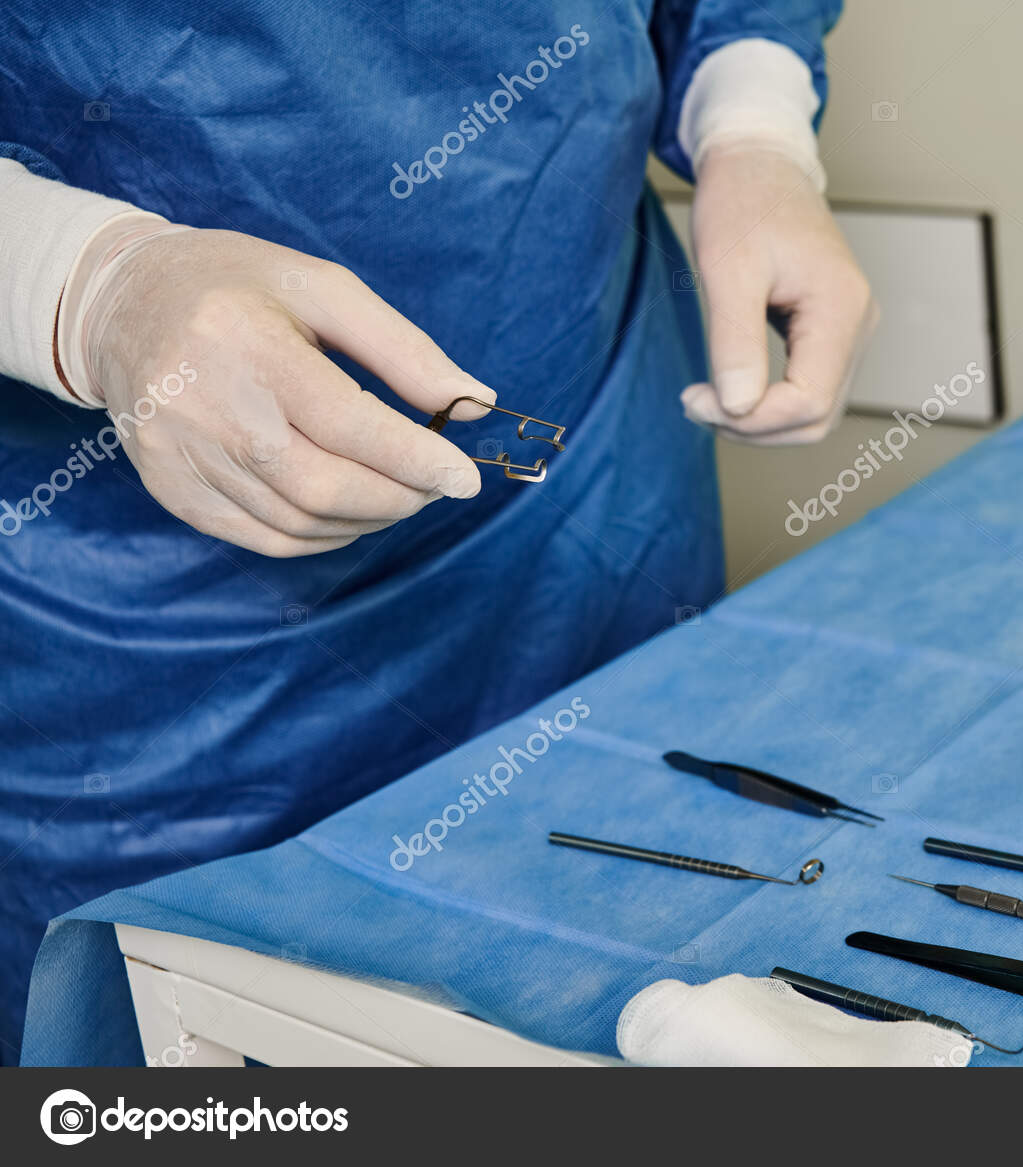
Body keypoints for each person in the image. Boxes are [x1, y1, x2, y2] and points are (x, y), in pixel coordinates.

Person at [0, 1, 873, 1063]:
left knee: (642, 968)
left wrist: (753, 119)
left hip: (594, 469)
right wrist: (89, 289)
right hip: (148, 622)